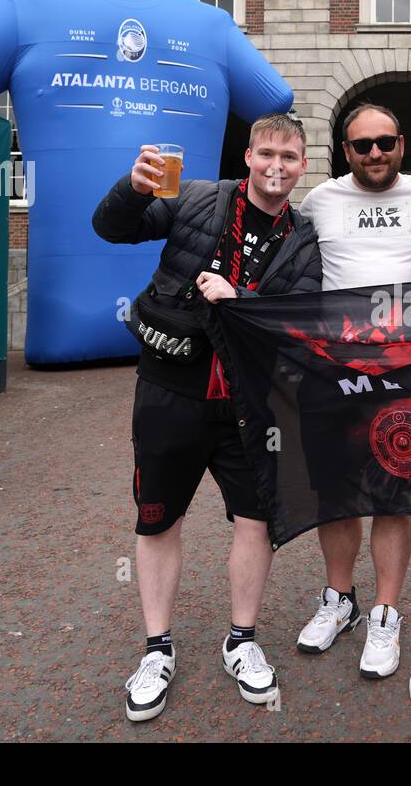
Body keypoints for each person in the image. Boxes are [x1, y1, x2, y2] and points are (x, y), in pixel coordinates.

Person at [92, 114, 322, 721]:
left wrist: (241, 301)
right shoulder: (193, 196)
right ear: (247, 156)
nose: (277, 166)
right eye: (267, 153)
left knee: (254, 521)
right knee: (158, 519)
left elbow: (302, 319)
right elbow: (111, 229)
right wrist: (133, 188)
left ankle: (242, 640)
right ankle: (156, 648)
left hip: (250, 402)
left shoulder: (305, 237)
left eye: (290, 157)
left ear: (304, 165)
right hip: (172, 389)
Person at [292, 103, 411, 678]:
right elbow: (285, 271)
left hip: (407, 372)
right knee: (335, 492)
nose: (375, 153)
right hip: (333, 370)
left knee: (393, 491)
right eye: (362, 146)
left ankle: (386, 611)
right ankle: (340, 601)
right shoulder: (319, 202)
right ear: (345, 151)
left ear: (401, 144)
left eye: (385, 142)